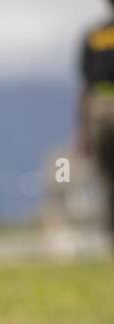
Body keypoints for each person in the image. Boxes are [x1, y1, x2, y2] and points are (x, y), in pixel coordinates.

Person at [79, 2, 114, 235]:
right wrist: (82, 130)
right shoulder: (95, 35)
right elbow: (85, 85)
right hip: (100, 111)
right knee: (106, 176)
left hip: (98, 110)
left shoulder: (96, 35)